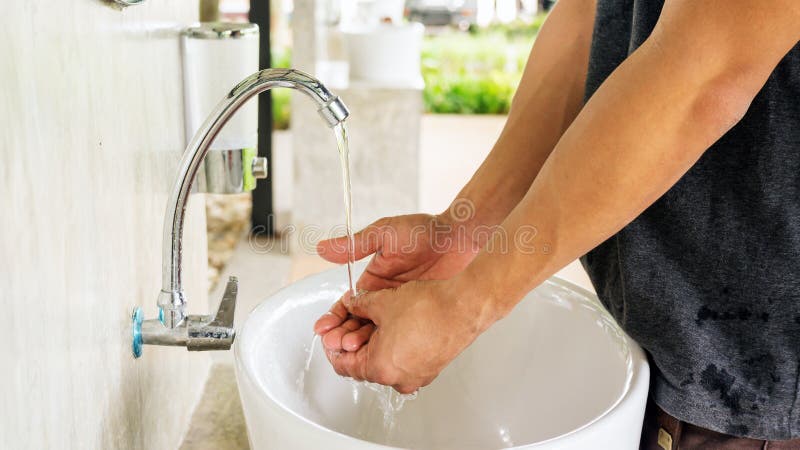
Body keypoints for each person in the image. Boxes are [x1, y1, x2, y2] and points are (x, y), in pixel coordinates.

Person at [313, 0, 800, 447]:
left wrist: (463, 307)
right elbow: (590, 20)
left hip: (754, 388)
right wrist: (465, 231)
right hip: (665, 348)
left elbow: (708, 67)